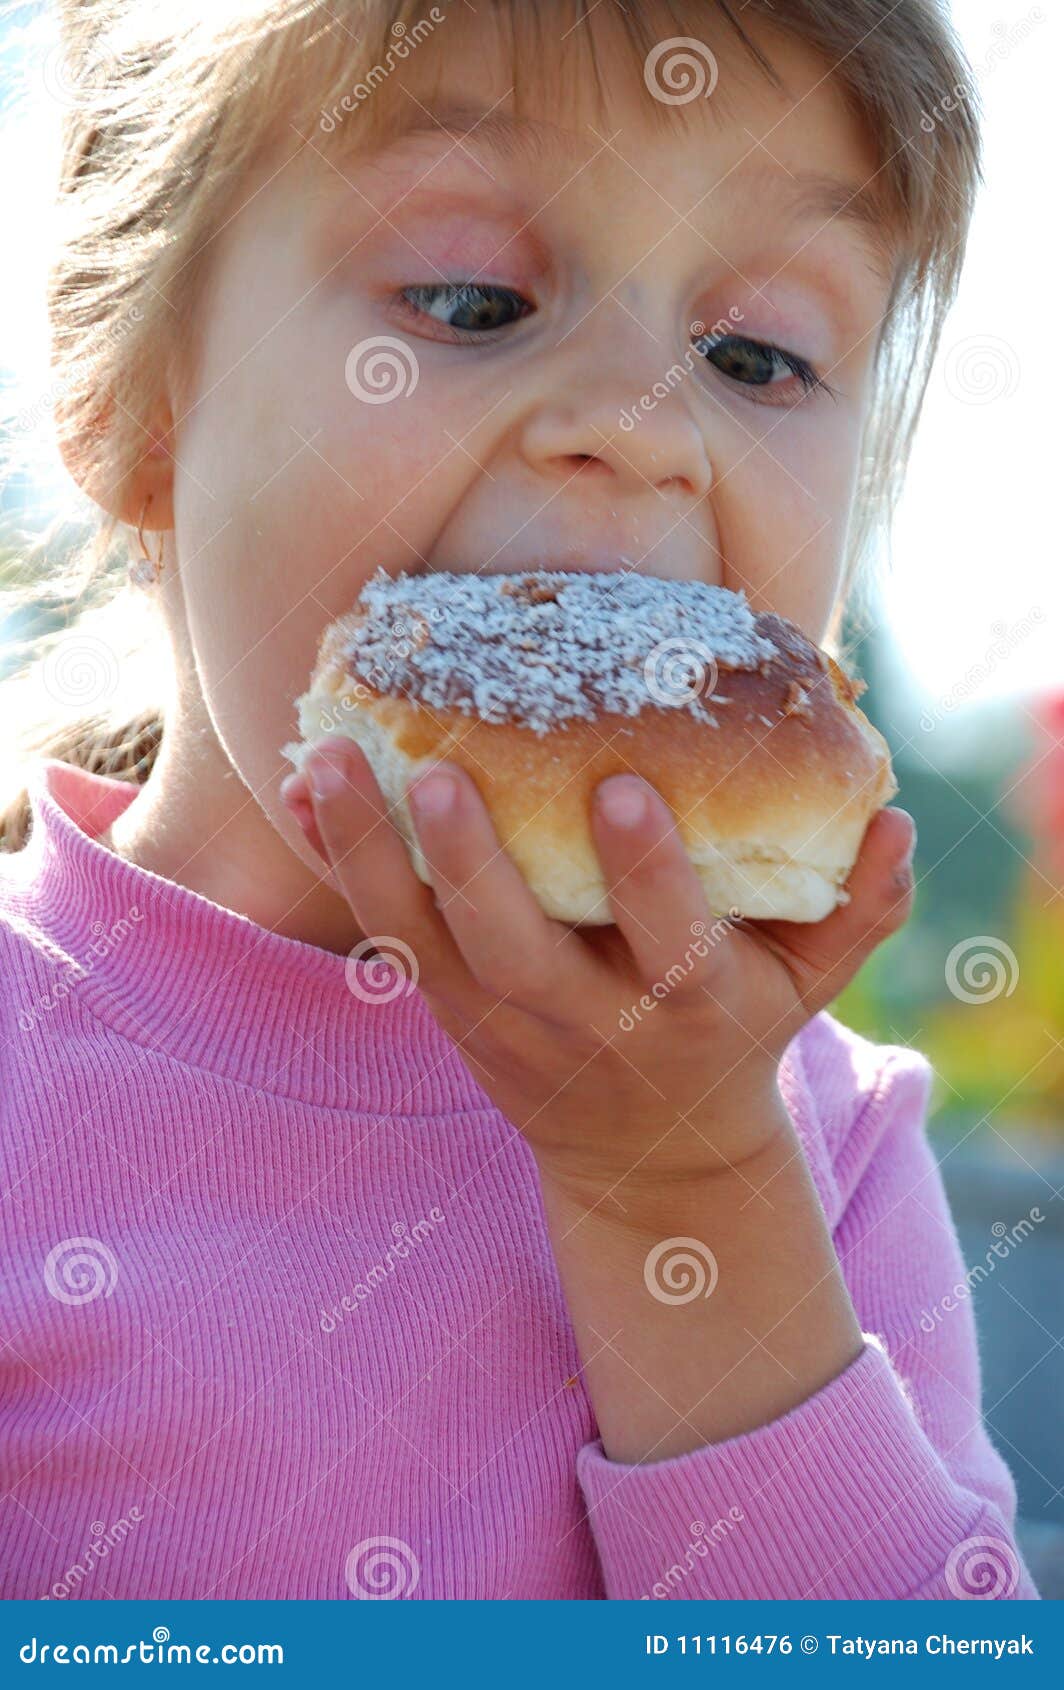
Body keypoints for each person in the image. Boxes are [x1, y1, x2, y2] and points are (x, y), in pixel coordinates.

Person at [0, 0, 1037, 1600]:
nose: (639, 429)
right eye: (474, 299)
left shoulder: (827, 1143)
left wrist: (687, 1190)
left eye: (757, 352)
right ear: (132, 398)